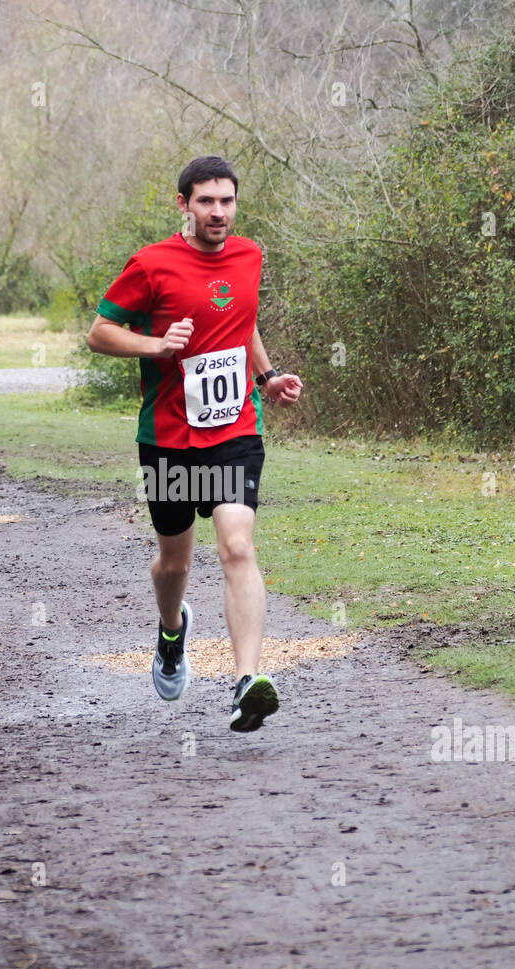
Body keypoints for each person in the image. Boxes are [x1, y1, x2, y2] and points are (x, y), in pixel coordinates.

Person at [86, 155, 303, 732]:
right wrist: (158, 346)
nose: (218, 212)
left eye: (226, 201)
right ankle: (171, 631)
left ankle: (247, 682)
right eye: (206, 201)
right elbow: (100, 334)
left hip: (234, 431)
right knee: (174, 563)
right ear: (183, 204)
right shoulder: (152, 264)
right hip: (169, 439)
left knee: (237, 548)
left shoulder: (250, 255)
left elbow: (242, 320)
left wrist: (266, 377)